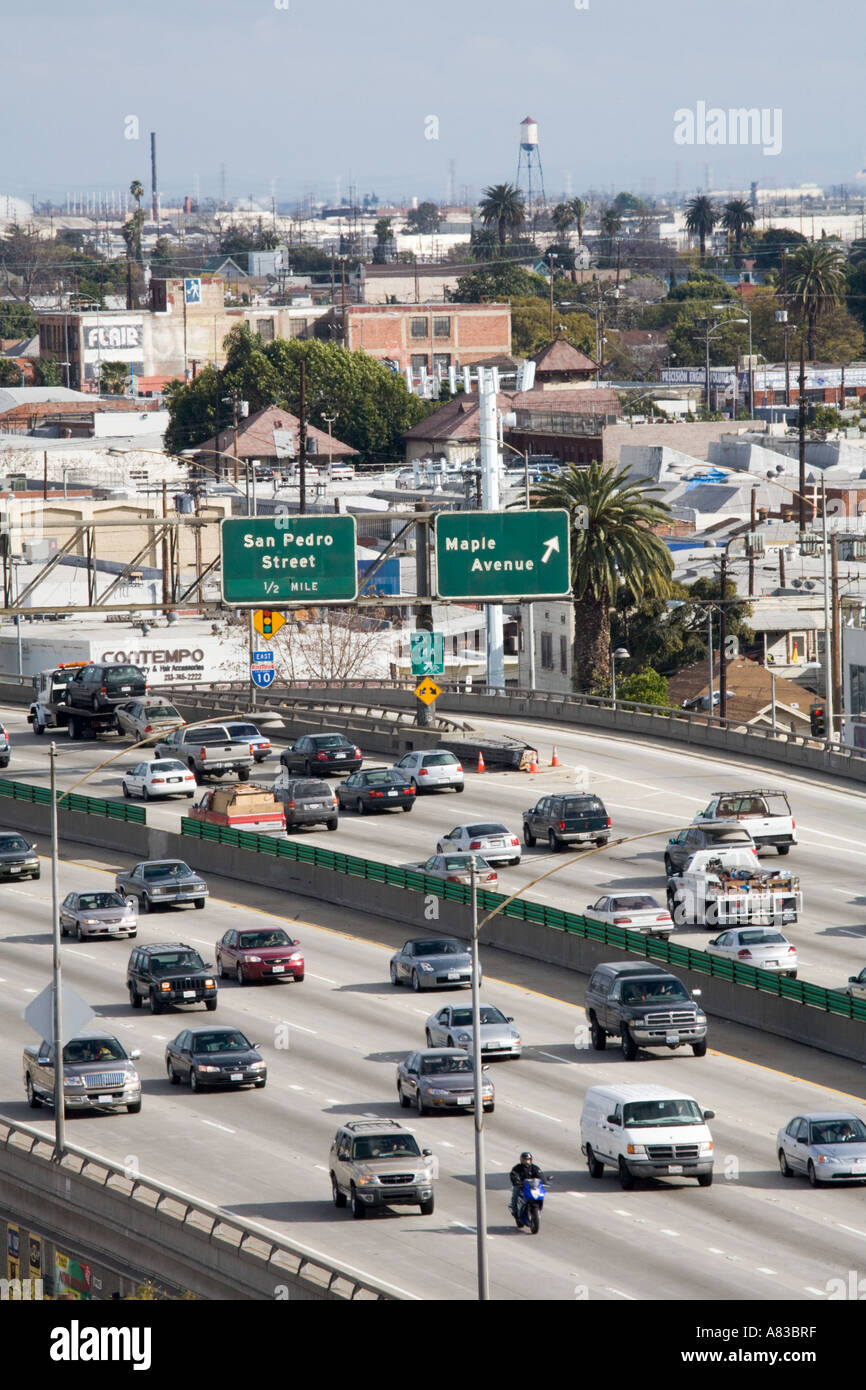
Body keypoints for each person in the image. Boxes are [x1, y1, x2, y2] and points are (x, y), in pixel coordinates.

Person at [510, 1151, 544, 1218]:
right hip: (521, 1186)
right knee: (515, 1196)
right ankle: (515, 1211)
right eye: (524, 1160)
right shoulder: (517, 1168)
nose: (526, 1161)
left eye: (528, 1160)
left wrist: (544, 1182)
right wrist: (517, 1182)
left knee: (541, 1194)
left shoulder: (535, 1168)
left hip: (532, 1187)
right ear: (521, 1160)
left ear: (530, 1160)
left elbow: (540, 1175)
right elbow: (513, 1175)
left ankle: (538, 1209)